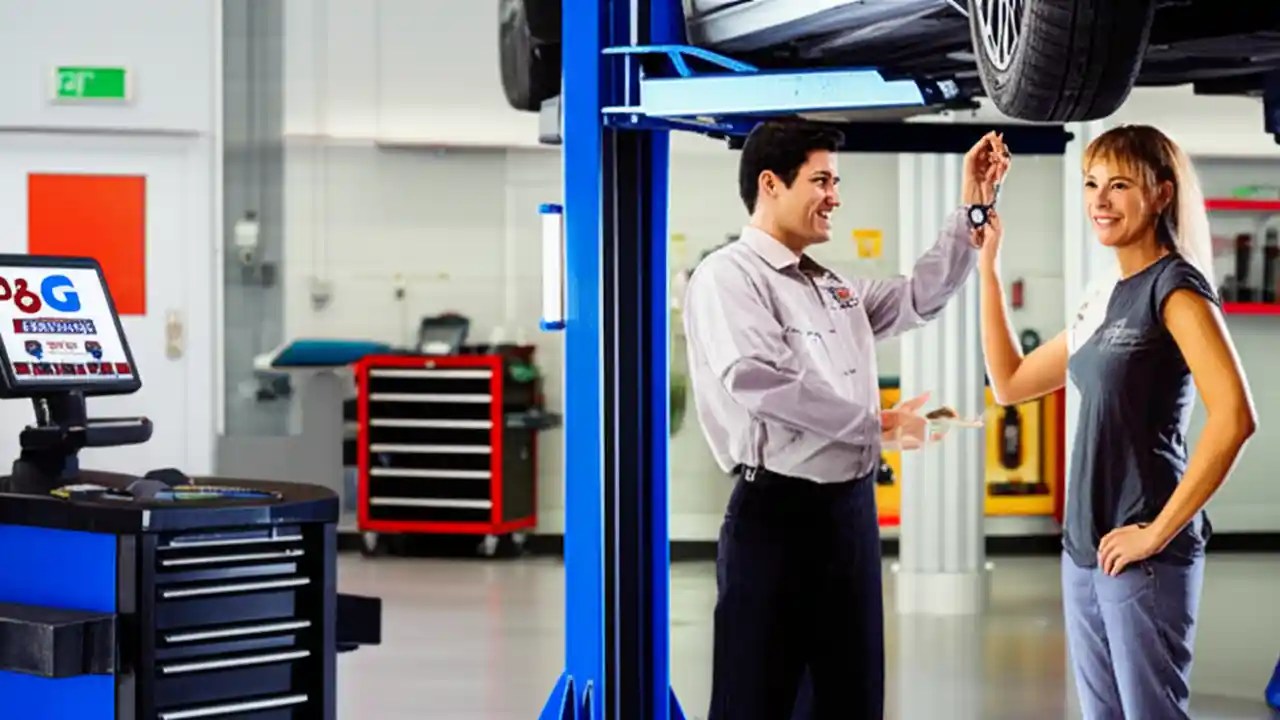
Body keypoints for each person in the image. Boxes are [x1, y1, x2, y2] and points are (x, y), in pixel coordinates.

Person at [681, 120, 1007, 719]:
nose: (836, 195)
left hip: (848, 517)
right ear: (771, 184)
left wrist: (975, 206)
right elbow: (761, 382)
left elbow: (919, 296)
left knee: (850, 698)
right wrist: (876, 424)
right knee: (757, 700)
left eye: (837, 180)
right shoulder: (729, 277)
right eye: (822, 180)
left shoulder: (830, 286)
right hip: (777, 517)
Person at [975, 124, 1257, 719]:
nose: (1100, 200)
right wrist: (988, 267)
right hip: (1085, 548)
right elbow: (1010, 383)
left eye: (1120, 184)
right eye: (1091, 184)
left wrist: (1156, 533)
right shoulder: (1104, 293)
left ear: (1160, 194)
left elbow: (1234, 417)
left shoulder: (1175, 289)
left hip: (1143, 549)